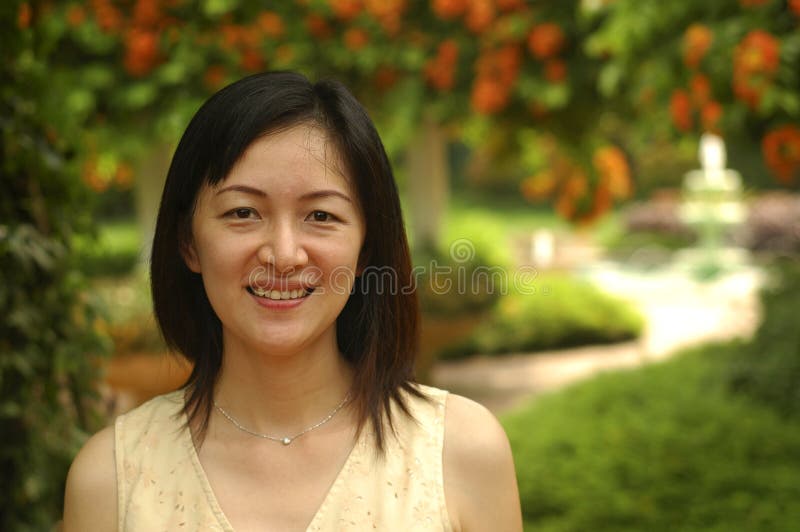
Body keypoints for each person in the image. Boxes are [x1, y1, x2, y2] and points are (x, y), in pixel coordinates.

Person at [63, 71, 522, 531]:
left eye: (321, 215)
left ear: (366, 249)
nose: (283, 255)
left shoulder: (459, 453)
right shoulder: (111, 479)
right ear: (188, 242)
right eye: (243, 212)